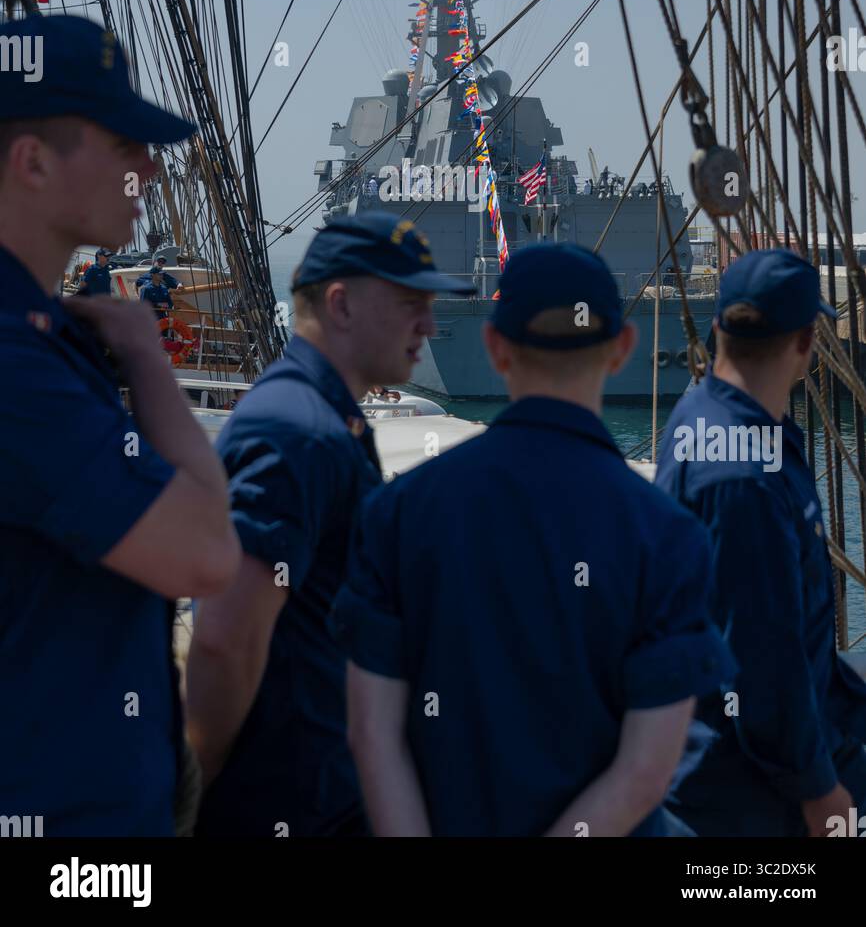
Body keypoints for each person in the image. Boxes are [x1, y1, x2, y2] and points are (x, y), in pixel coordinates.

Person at [333, 243, 733, 837]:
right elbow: (647, 770)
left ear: (495, 346)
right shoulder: (669, 534)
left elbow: (371, 732)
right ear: (624, 347)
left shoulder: (398, 511)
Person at [0, 12, 240, 836]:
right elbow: (208, 552)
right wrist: (144, 353)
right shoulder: (18, 365)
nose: (150, 168)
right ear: (31, 162)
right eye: (122, 145)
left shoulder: (42, 339)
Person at [187, 212, 475, 838]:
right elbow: (224, 638)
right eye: (409, 302)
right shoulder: (296, 432)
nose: (428, 323)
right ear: (341, 305)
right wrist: (192, 795)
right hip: (286, 802)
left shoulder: (322, 419)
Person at [655, 248, 866, 837]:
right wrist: (819, 790)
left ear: (719, 326)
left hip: (754, 756)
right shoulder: (741, 475)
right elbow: (760, 657)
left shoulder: (704, 418)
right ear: (805, 343)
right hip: (751, 792)